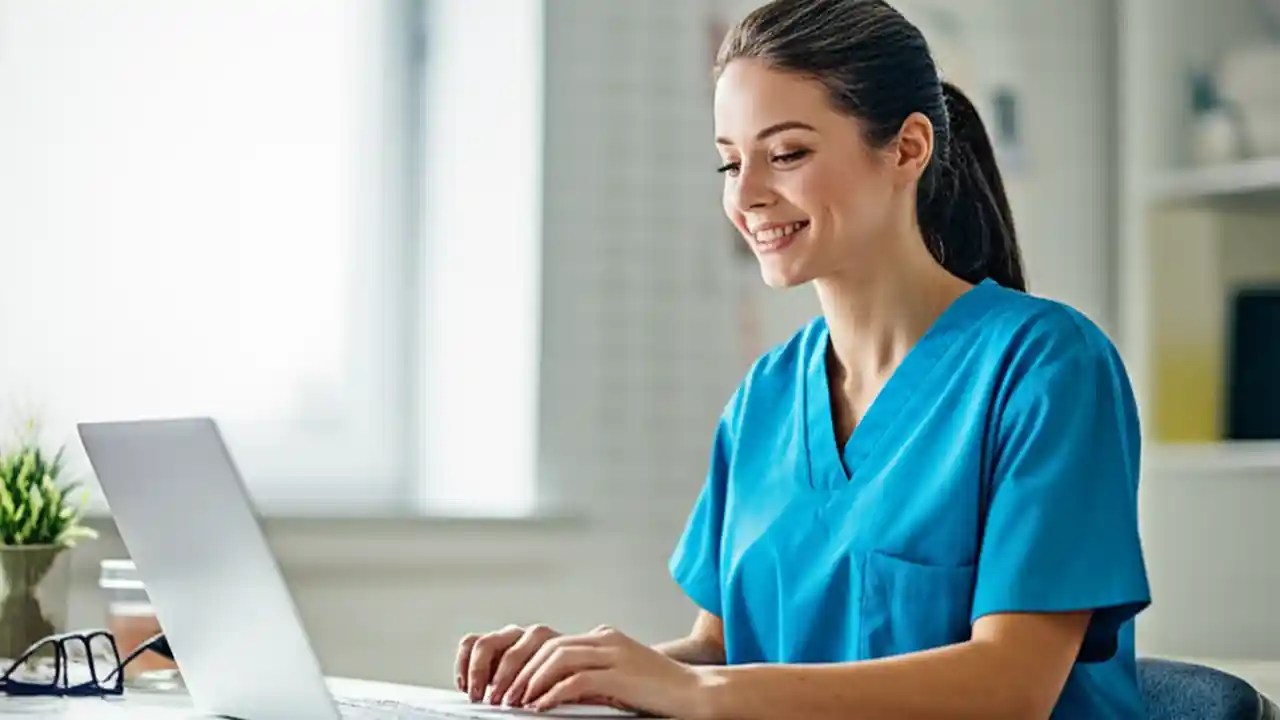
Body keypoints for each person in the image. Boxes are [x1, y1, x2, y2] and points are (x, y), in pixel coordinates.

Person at [454, 0, 1151, 717]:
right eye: (730, 162)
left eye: (786, 154)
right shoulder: (766, 396)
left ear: (908, 149)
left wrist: (693, 690)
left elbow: (1012, 685)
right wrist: (570, 674)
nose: (748, 194)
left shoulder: (1047, 367)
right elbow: (723, 652)